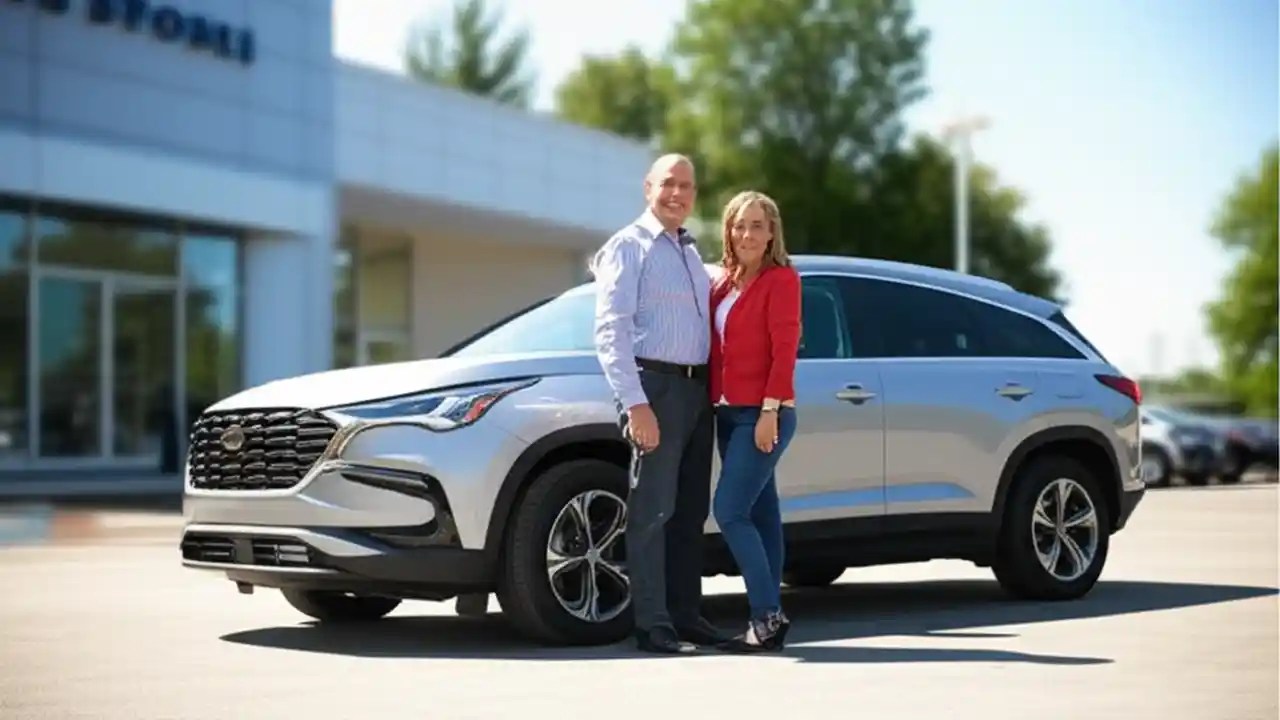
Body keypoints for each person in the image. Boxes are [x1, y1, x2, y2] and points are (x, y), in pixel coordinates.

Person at [591, 153, 731, 654]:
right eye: (668, 183)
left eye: (687, 186)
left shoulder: (690, 253)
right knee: (652, 511)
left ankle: (687, 615)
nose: (678, 193)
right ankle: (653, 625)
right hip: (656, 389)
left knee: (690, 511)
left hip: (696, 392)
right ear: (648, 187)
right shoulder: (628, 248)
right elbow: (611, 332)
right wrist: (635, 404)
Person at [707, 190, 802, 652]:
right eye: (739, 224)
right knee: (763, 514)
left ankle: (766, 617)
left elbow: (785, 351)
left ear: (771, 233)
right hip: (727, 412)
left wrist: (770, 411)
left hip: (765, 413)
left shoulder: (781, 279)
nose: (747, 233)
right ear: (728, 229)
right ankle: (770, 617)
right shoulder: (724, 282)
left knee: (729, 510)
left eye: (757, 226)